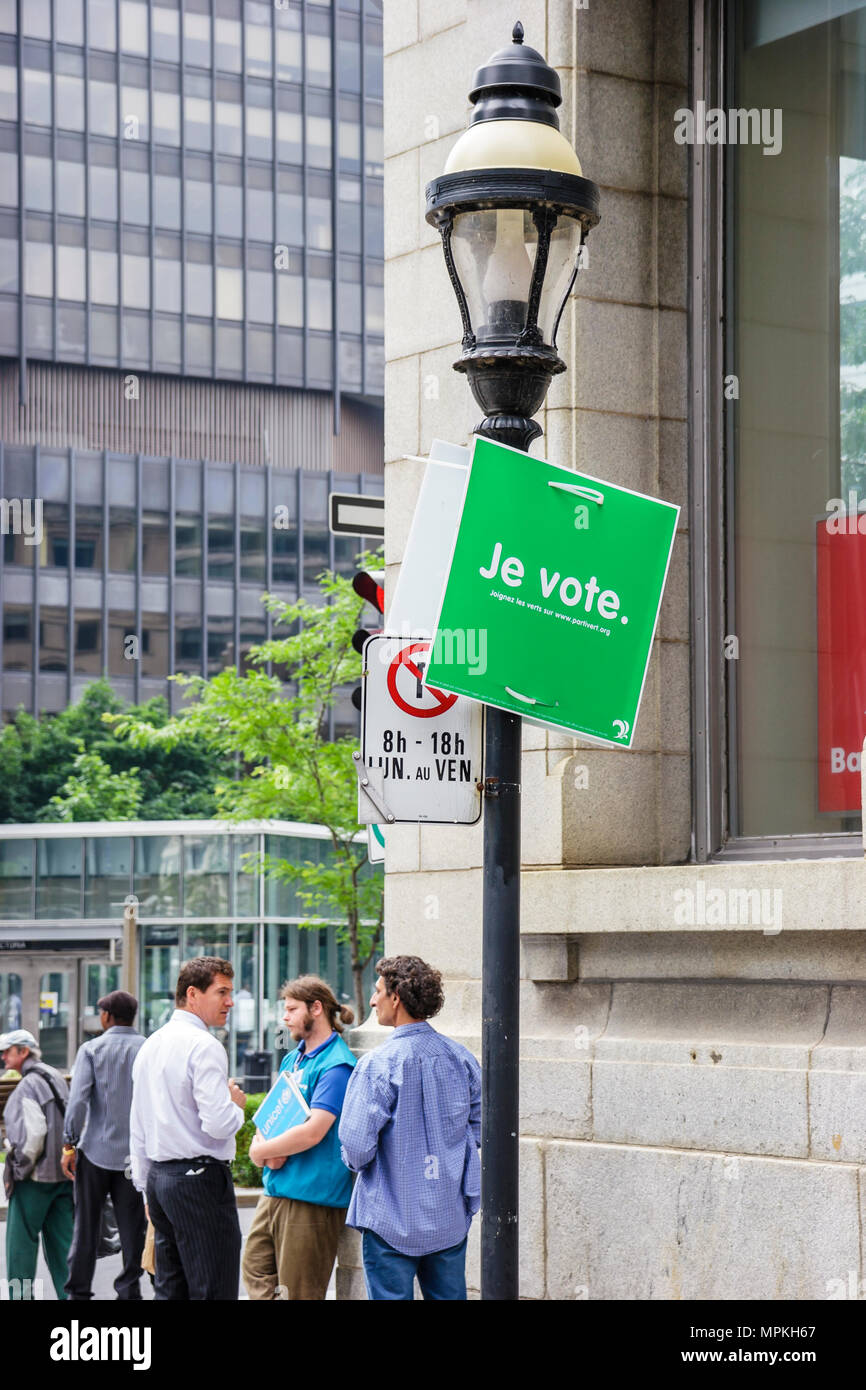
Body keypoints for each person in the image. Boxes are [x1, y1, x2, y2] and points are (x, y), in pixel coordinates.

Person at [338, 955, 481, 1301]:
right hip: (447, 1216)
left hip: (389, 1216)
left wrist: (357, 1163)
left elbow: (356, 1148)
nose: (373, 1001)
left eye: (377, 992)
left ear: (396, 997)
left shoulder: (377, 1065)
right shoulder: (461, 1058)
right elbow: (478, 1129)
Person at [129, 956, 246, 1300]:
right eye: (222, 991)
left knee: (170, 1290)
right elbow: (219, 1123)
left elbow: (137, 1124)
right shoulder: (204, 1045)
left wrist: (145, 1186)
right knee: (213, 1290)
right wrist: (235, 1107)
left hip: (161, 1180)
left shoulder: (151, 1044)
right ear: (192, 994)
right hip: (200, 1181)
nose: (230, 1001)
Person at [243, 976, 356, 1300]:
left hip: (312, 1198)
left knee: (300, 1293)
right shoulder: (293, 1059)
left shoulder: (337, 1065)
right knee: (254, 1268)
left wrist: (258, 1152)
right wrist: (260, 1147)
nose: (285, 1016)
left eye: (291, 1009)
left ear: (316, 1008)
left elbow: (313, 1131)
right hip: (277, 1189)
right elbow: (271, 1117)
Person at [62, 990, 147, 1301]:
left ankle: (79, 1292)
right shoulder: (148, 1048)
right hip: (134, 1158)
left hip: (94, 1154)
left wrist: (69, 1144)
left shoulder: (91, 1049)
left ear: (108, 1016)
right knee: (132, 1228)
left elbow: (78, 1102)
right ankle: (128, 1290)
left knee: (85, 1226)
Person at [1, 1028, 73, 1299]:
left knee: (20, 1251)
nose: (4, 1056)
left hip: (34, 1180)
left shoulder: (28, 1085)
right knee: (63, 1249)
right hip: (62, 1177)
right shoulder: (54, 1075)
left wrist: (19, 1168)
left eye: (8, 1050)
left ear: (24, 1051)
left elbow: (34, 1135)